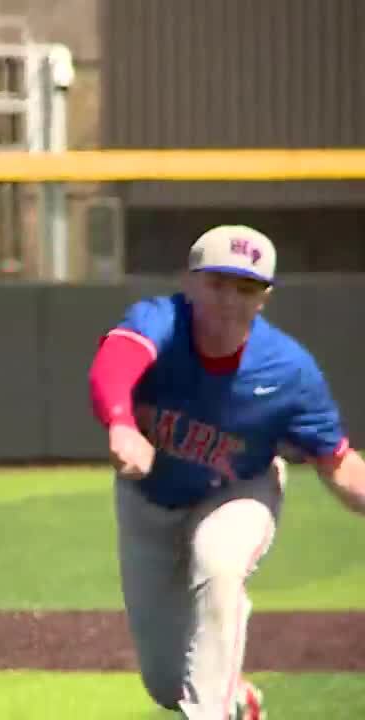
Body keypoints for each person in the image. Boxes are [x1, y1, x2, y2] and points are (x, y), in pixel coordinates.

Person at [87, 224, 365, 720]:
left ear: (264, 299)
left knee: (219, 563)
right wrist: (122, 423)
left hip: (239, 491)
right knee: (167, 681)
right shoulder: (160, 322)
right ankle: (236, 701)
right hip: (149, 503)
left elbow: (337, 463)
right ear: (189, 283)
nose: (230, 300)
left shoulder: (288, 371)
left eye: (247, 288)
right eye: (217, 283)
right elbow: (115, 362)